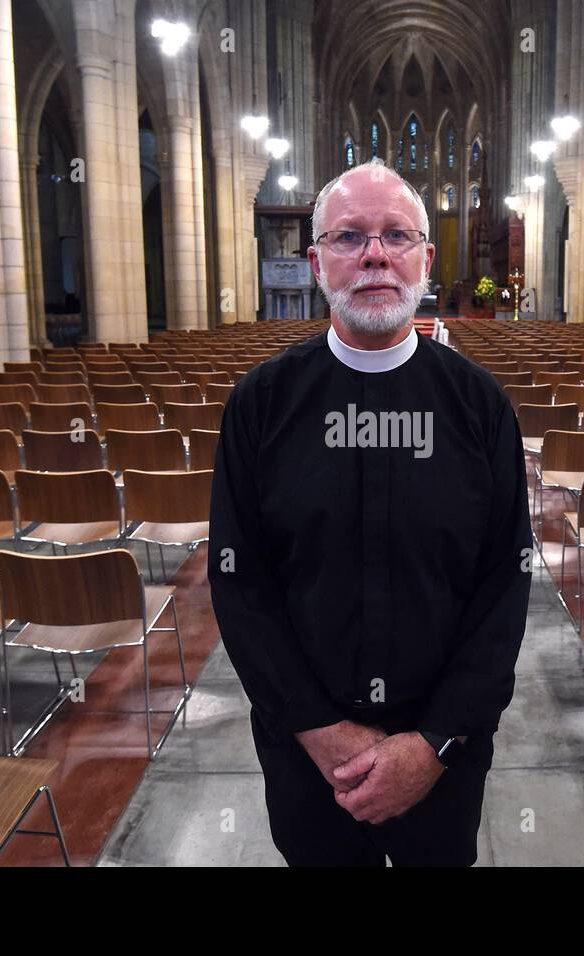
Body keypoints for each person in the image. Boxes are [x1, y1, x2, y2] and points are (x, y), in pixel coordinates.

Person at [208, 157, 532, 866]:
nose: (376, 254)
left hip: (444, 754)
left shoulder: (479, 406)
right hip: (304, 753)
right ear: (318, 259)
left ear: (425, 257)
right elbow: (240, 584)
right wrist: (320, 730)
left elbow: (503, 590)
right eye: (350, 237)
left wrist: (434, 743)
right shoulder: (261, 405)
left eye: (397, 236)